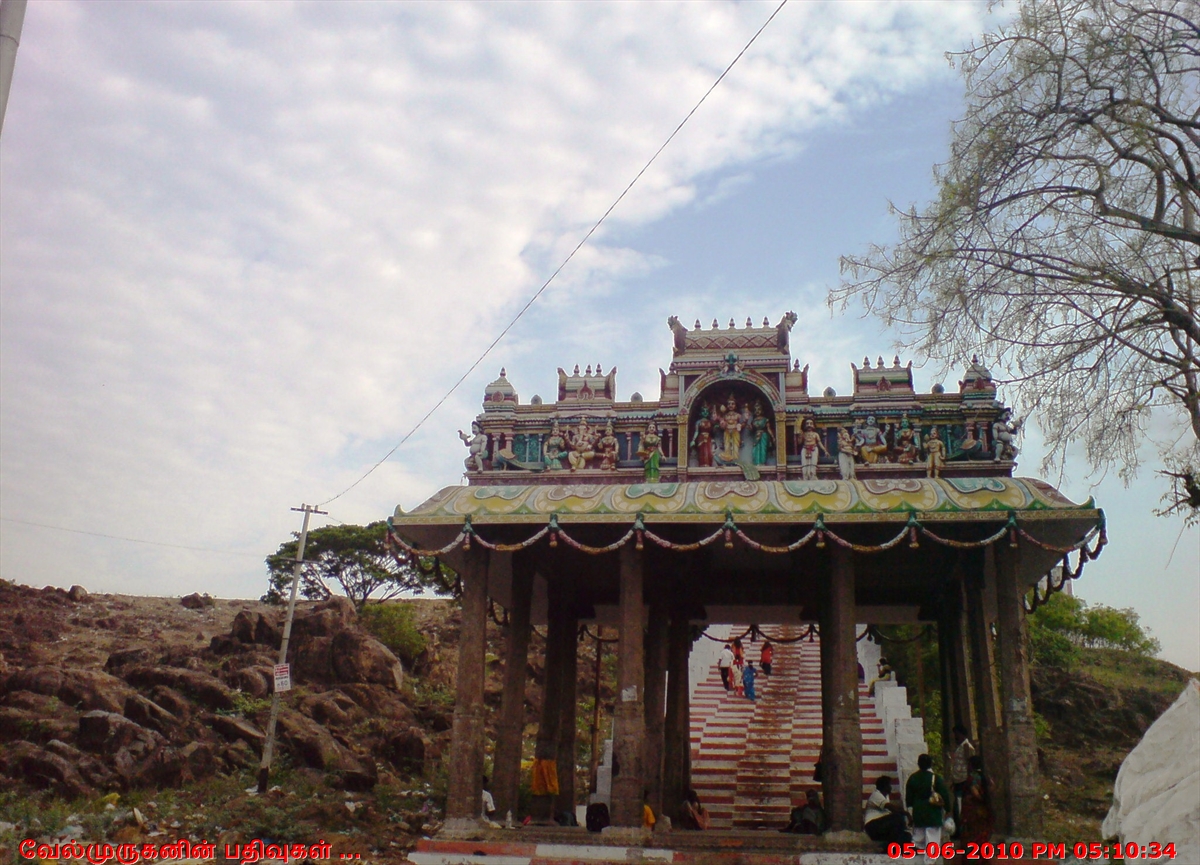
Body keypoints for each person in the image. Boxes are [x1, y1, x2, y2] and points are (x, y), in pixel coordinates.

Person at [905, 754, 951, 863]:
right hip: (933, 813)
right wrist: (948, 810)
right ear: (931, 764)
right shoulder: (936, 778)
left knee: (919, 836)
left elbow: (909, 799)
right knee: (933, 839)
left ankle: (912, 853)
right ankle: (929, 862)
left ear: (918, 764)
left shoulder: (913, 778)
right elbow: (944, 795)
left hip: (918, 812)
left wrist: (910, 812)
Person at [863, 776, 910, 846]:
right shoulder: (876, 795)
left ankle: (900, 847)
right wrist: (907, 814)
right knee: (897, 818)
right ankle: (891, 847)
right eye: (889, 785)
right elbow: (892, 808)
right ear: (884, 786)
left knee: (906, 835)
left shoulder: (886, 796)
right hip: (872, 826)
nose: (891, 787)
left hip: (881, 825)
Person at [957, 756, 993, 845]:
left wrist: (979, 798)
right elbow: (992, 785)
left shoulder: (972, 777)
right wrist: (986, 797)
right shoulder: (984, 775)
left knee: (971, 831)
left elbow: (974, 792)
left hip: (972, 809)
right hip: (983, 807)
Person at [949, 724, 976, 825]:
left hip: (964, 780)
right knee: (957, 804)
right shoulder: (960, 747)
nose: (955, 737)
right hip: (958, 780)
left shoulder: (966, 747)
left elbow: (969, 763)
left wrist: (969, 779)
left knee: (961, 805)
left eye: (956, 734)